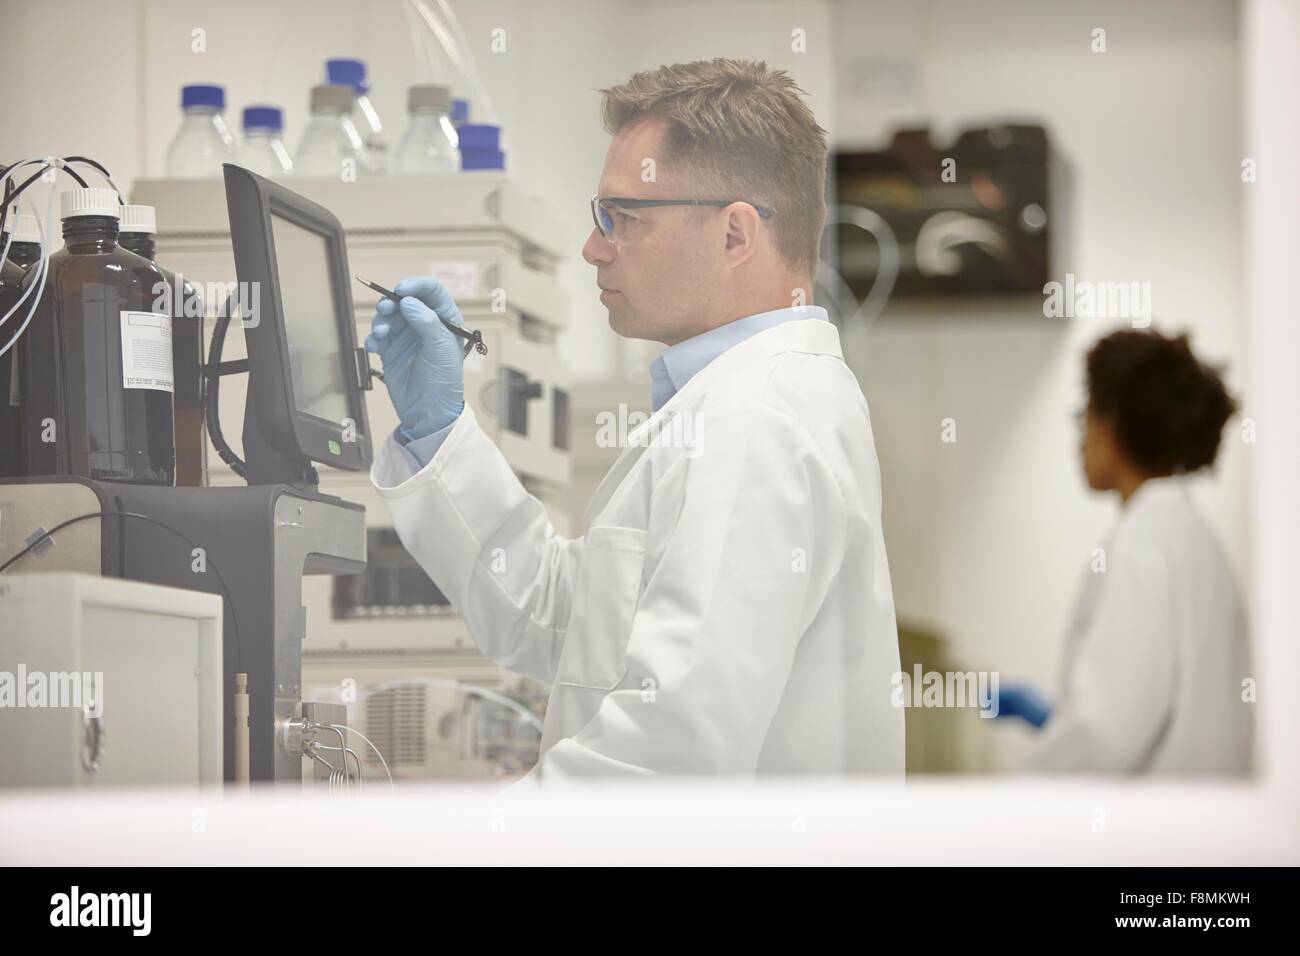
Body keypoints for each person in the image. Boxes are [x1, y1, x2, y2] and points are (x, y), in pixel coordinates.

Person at [364, 59, 903, 779]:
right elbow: (564, 617)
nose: (594, 247)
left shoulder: (755, 423)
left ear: (736, 234)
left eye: (623, 217)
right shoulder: (741, 404)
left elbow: (663, 756)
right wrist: (439, 429)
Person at [994, 329, 1251, 774]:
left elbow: (1106, 736)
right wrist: (1060, 721)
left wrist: (1010, 804)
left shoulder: (1142, 543)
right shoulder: (1195, 540)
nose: (1080, 438)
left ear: (1112, 422)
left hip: (1154, 836)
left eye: (1084, 416)